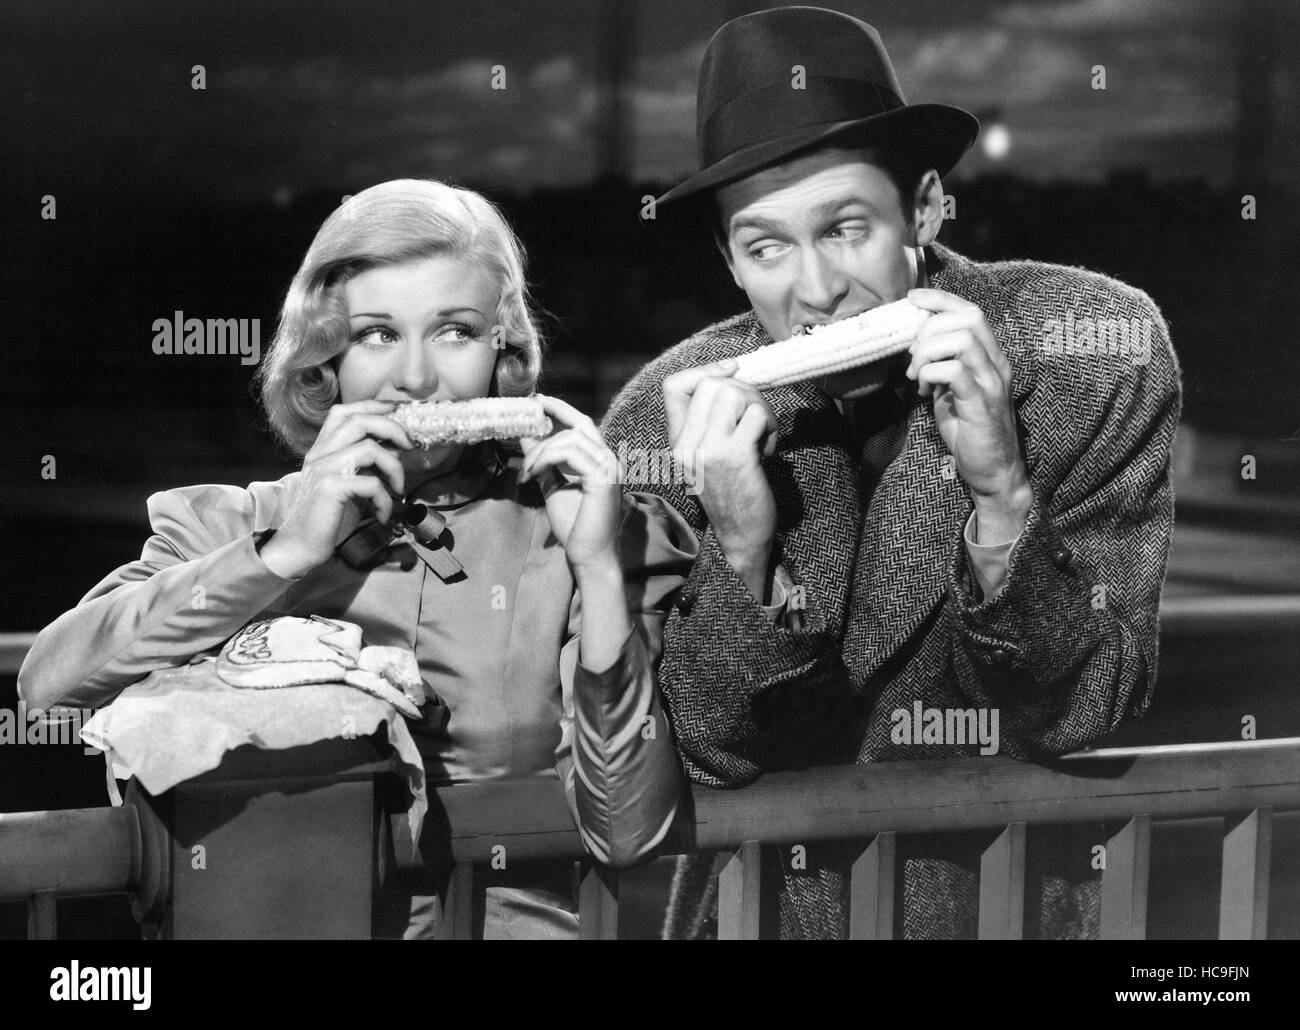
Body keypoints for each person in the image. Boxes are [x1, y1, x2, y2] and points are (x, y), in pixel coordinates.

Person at [601, 8, 1182, 939]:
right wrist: (744, 550)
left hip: (1007, 910)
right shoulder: (658, 418)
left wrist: (1002, 497)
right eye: (766, 247)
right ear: (727, 261)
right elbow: (707, 754)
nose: (817, 289)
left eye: (847, 228)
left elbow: (1079, 712)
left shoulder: (1093, 351)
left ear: (923, 206)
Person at [18, 178, 694, 940]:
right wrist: (287, 554)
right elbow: (51, 685)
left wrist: (599, 567)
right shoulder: (240, 523)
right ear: (323, 356)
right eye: (377, 334)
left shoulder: (579, 531)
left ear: (502, 349)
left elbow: (632, 833)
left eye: (454, 332)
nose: (413, 378)